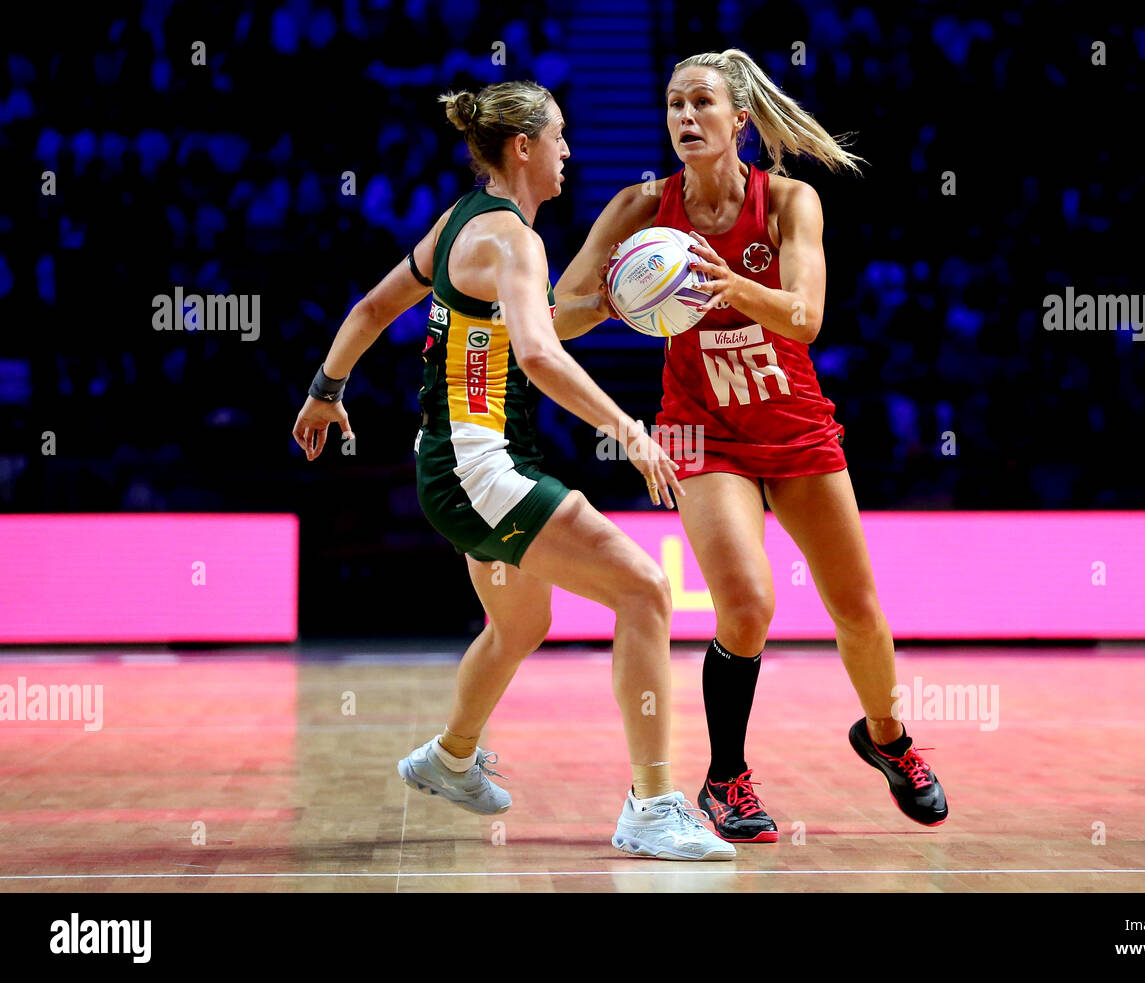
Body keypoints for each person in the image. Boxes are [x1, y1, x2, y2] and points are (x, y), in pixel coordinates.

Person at [291, 80, 735, 861]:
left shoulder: (463, 223)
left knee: (524, 622)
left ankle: (450, 756)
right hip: (481, 468)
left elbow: (374, 310)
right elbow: (536, 353)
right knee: (644, 589)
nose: (570, 150)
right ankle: (653, 803)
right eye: (559, 136)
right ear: (523, 148)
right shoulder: (514, 241)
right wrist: (628, 429)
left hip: (455, 464)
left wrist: (326, 390)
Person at [555, 50, 948, 842]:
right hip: (702, 433)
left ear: (739, 119)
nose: (684, 117)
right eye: (672, 104)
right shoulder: (641, 207)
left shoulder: (790, 202)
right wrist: (622, 296)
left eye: (701, 102)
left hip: (796, 424)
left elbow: (805, 317)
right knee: (746, 605)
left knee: (860, 613)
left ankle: (887, 738)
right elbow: (558, 315)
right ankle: (724, 780)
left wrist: (725, 282)